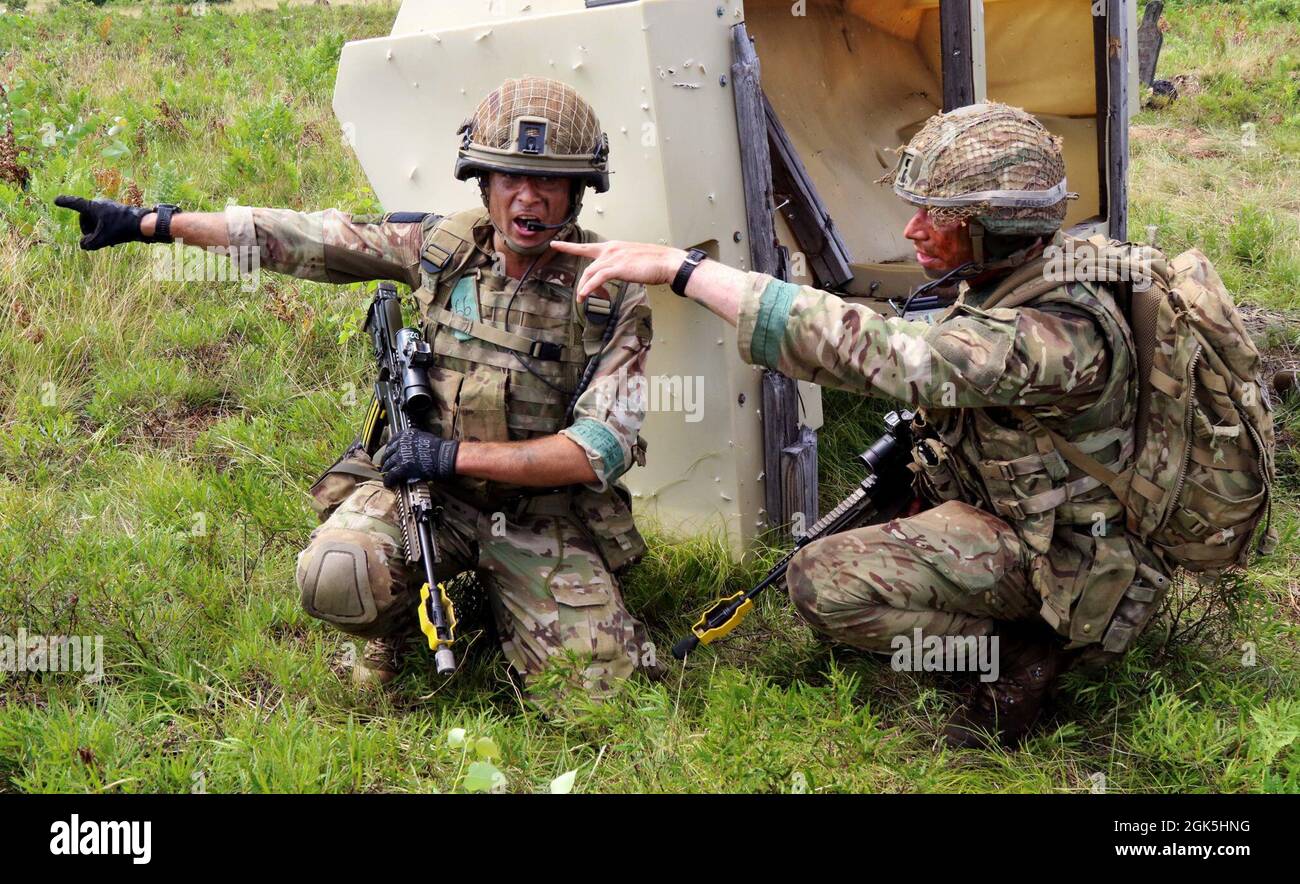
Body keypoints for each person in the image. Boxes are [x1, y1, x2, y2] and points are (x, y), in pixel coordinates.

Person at [552, 102, 1167, 746]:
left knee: (823, 583)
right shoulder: (1028, 274)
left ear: (997, 227)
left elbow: (886, 353)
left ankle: (1015, 655)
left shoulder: (1056, 334)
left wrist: (687, 271)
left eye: (940, 216)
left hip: (1066, 560)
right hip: (1036, 513)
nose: (914, 229)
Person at [56, 77, 656, 698]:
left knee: (599, 696)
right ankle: (389, 625)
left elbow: (597, 449)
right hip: (430, 496)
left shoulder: (612, 293)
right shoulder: (446, 248)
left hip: (540, 515)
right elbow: (307, 237)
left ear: (580, 189)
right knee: (339, 573)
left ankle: (510, 603)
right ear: (483, 181)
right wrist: (155, 223)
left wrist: (452, 453)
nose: (528, 199)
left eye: (549, 182)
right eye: (510, 179)